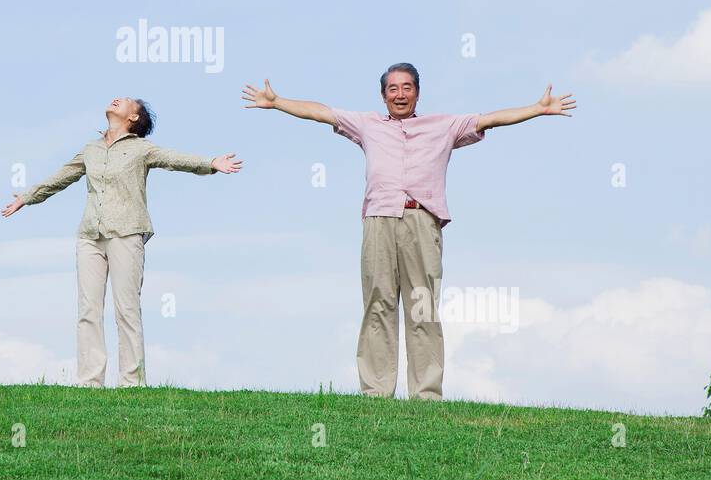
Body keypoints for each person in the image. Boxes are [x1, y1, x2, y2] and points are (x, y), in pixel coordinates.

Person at [242, 64, 575, 400]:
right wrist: (278, 101)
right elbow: (322, 113)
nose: (400, 95)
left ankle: (426, 393)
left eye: (406, 88)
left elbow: (488, 119)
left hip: (421, 220)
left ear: (417, 92)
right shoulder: (367, 125)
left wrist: (537, 109)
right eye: (392, 89)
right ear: (383, 96)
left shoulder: (443, 126)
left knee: (422, 305)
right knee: (378, 302)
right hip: (379, 220)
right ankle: (375, 390)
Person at [2, 96, 242, 387]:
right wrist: (27, 197)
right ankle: (90, 382)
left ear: (134, 118)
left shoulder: (142, 150)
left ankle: (132, 382)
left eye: (126, 102)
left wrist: (211, 163)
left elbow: (174, 159)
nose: (117, 100)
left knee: (126, 309)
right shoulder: (90, 150)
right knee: (88, 310)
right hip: (90, 235)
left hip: (127, 233)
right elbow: (62, 177)